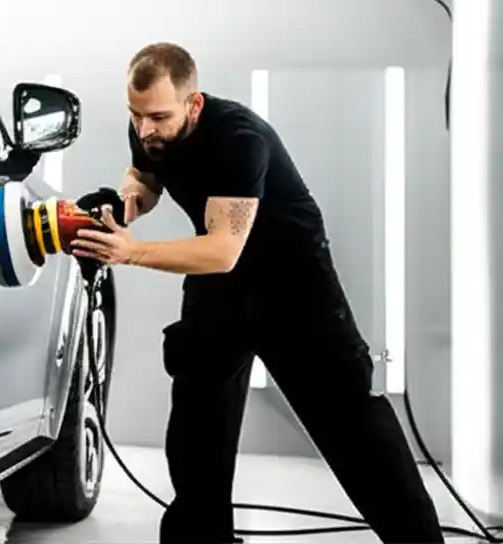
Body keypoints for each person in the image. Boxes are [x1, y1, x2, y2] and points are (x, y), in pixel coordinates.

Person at [70, 42, 444, 543]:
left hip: (294, 286)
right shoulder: (150, 127)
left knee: (353, 428)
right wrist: (122, 207)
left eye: (158, 117)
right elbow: (145, 177)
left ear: (194, 103)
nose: (145, 130)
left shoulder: (239, 139)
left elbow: (223, 248)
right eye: (136, 116)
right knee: (197, 428)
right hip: (219, 286)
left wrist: (129, 251)